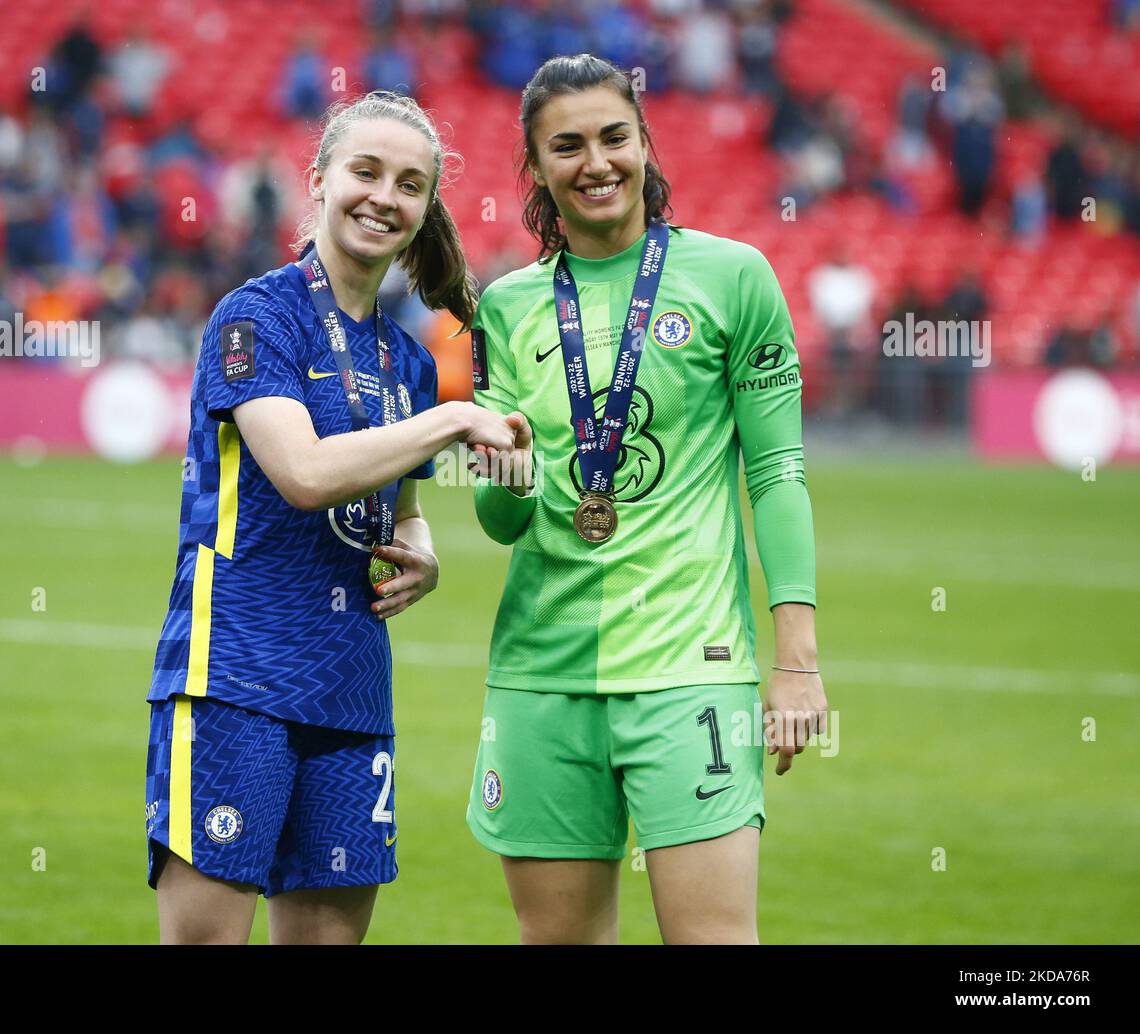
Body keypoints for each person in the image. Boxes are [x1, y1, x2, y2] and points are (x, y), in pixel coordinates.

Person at [465, 54, 826, 945]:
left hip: (690, 670)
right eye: (567, 146)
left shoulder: (735, 277)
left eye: (613, 137)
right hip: (541, 673)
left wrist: (797, 658)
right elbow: (501, 523)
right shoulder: (504, 308)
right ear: (536, 165)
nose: (596, 163)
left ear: (644, 141)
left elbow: (776, 472)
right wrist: (504, 473)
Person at [145, 91, 520, 945]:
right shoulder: (255, 317)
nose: (385, 196)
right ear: (318, 180)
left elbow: (406, 513)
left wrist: (422, 554)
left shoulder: (409, 362)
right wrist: (458, 417)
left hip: (351, 690)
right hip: (235, 677)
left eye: (410, 184)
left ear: (426, 211)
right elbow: (306, 474)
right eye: (366, 171)